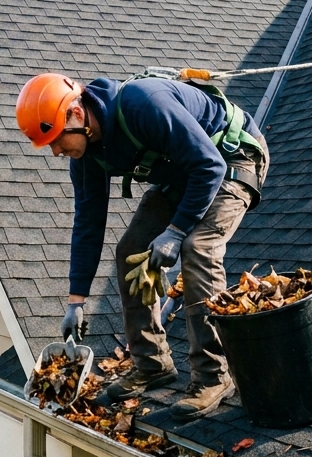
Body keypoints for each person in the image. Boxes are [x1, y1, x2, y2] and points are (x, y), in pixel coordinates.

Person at [15, 72, 269, 419]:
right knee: (130, 251)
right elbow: (87, 225)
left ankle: (214, 376)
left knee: (198, 248)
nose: (57, 151)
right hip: (183, 171)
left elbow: (210, 166)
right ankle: (152, 363)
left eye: (57, 140)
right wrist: (76, 301)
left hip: (231, 158)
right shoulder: (87, 156)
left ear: (76, 114)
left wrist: (176, 231)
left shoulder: (142, 104)